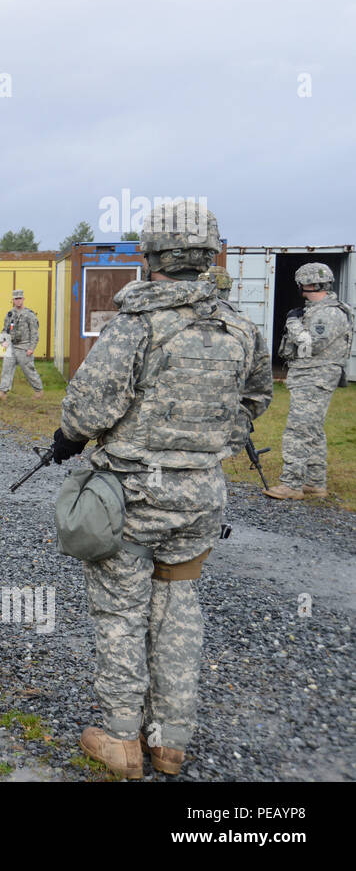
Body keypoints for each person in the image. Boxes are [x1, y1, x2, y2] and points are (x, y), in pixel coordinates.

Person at [52, 201, 272, 777]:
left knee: (121, 612)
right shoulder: (241, 327)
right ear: (209, 256)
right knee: (177, 610)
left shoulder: (136, 323)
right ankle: (171, 741)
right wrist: (212, 441)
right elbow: (254, 401)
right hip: (201, 495)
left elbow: (87, 408)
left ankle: (122, 739)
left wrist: (69, 438)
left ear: (151, 257)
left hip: (132, 496)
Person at [264, 263, 354, 500]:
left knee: (298, 431)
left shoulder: (329, 312)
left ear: (308, 283)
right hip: (310, 378)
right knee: (313, 431)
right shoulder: (317, 310)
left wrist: (293, 322)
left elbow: (310, 344)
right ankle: (314, 483)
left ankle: (291, 484)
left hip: (315, 378)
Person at [0, 289, 43, 400]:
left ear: (23, 299)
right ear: (13, 300)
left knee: (28, 370)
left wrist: (31, 348)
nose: (18, 301)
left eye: (20, 298)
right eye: (16, 299)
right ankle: (2, 392)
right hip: (11, 347)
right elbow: (5, 329)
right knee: (6, 368)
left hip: (24, 347)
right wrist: (4, 341)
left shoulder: (29, 315)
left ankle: (38, 390)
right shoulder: (10, 314)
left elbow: (34, 333)